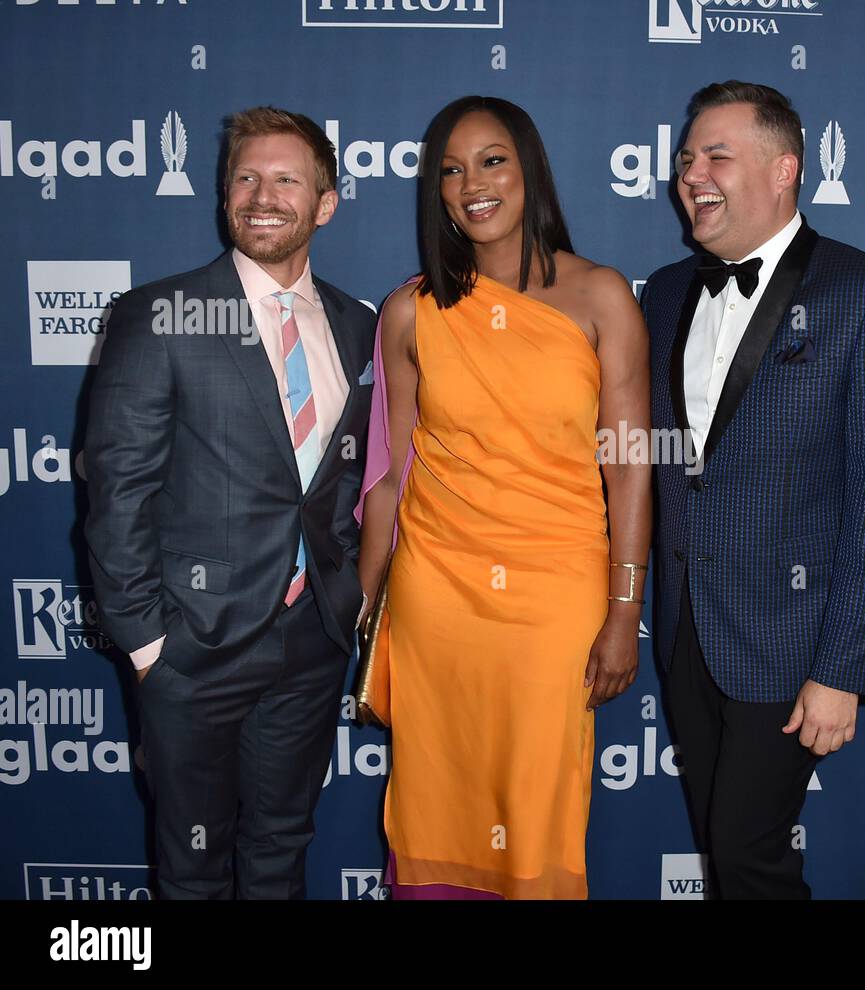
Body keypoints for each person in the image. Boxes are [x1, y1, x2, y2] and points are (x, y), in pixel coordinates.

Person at [355, 96, 650, 900]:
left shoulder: (601, 298)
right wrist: (368, 604)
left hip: (555, 599)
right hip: (437, 596)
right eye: (450, 170)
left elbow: (628, 465)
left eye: (491, 160)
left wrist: (625, 610)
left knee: (538, 799)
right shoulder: (410, 311)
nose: (470, 184)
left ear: (529, 172)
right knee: (434, 794)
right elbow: (393, 468)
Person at [640, 81, 865, 899]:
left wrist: (842, 669)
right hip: (688, 629)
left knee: (748, 856)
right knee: (727, 851)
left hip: (795, 642)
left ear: (785, 170)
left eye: (717, 156)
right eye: (687, 157)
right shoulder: (664, 293)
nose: (692, 173)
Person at [84, 107, 376, 899]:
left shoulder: (360, 327)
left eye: (286, 179)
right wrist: (149, 647)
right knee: (193, 864)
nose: (261, 195)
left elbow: (345, 484)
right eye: (244, 178)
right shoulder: (159, 314)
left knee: (282, 846)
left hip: (311, 640)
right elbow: (117, 493)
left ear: (325, 202)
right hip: (192, 646)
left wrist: (343, 600)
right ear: (223, 197)